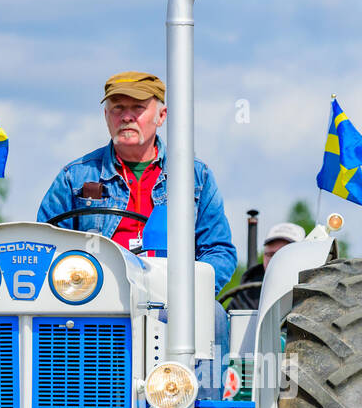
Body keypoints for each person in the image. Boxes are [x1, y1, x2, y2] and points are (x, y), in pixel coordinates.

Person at [37, 71, 237, 293]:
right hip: (95, 299)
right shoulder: (74, 177)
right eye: (118, 108)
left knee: (216, 320)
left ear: (162, 116)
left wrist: (185, 294)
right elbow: (44, 248)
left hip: (173, 298)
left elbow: (219, 251)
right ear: (106, 115)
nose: (126, 117)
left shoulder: (196, 177)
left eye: (138, 108)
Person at [227, 221, 305, 311]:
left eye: (283, 254)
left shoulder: (312, 293)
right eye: (271, 255)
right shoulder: (248, 294)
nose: (275, 261)